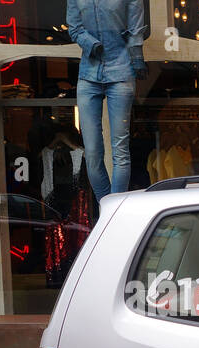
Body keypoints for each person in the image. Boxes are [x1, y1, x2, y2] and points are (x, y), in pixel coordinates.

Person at [67, 0, 149, 201]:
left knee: (120, 150)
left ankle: (115, 208)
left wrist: (137, 58)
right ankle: (107, 207)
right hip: (88, 73)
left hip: (121, 69)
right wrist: (92, 45)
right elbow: (74, 27)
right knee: (92, 151)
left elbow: (135, 29)